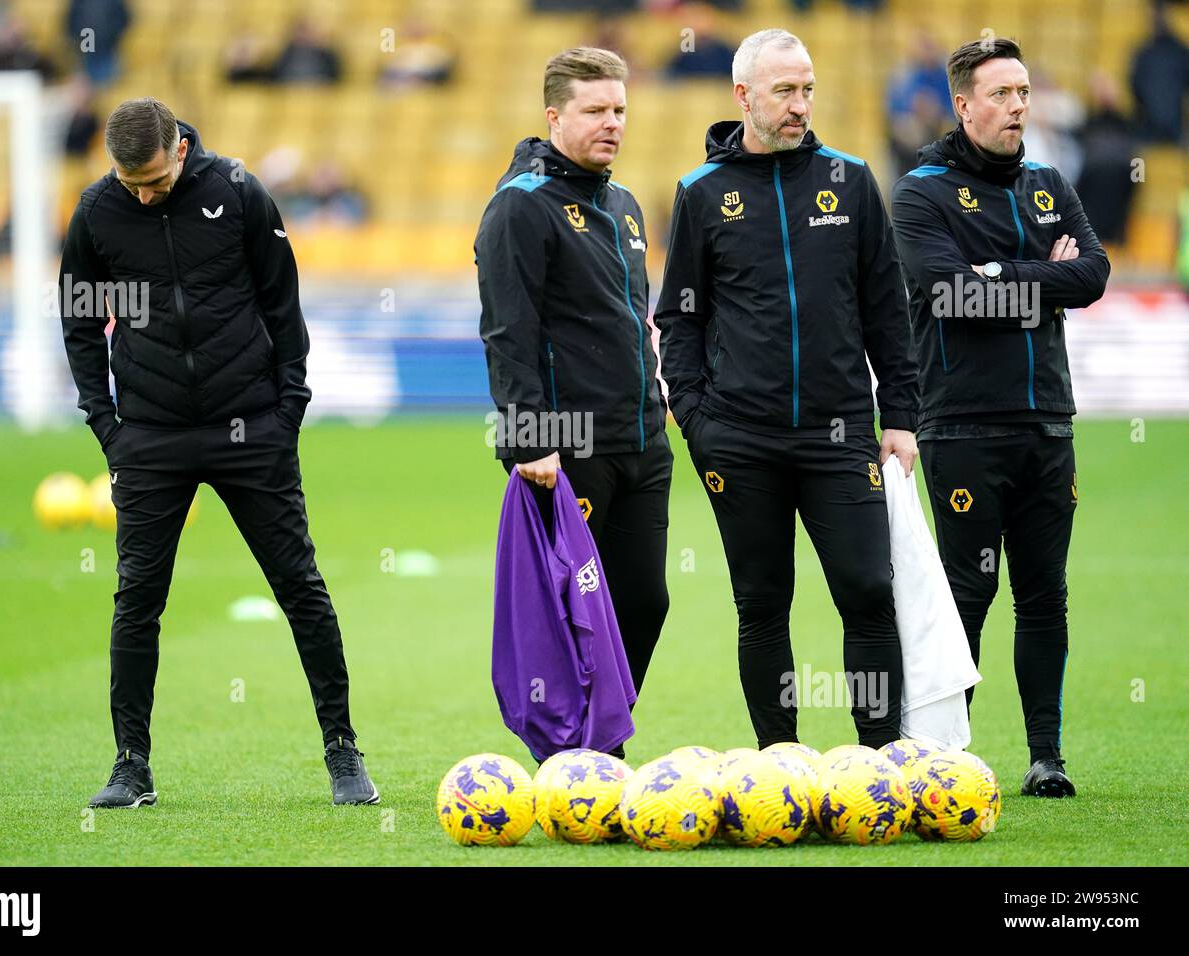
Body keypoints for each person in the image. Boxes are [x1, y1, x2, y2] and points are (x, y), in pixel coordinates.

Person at [59, 97, 378, 808]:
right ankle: (130, 766)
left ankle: (342, 752)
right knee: (137, 599)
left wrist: (287, 408)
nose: (140, 195)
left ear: (180, 149)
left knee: (300, 588)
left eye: (153, 182)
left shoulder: (237, 191)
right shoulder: (96, 212)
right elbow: (80, 323)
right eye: (128, 183)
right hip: (148, 437)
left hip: (251, 430)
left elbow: (282, 303)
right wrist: (107, 426)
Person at [655, 29, 918, 749]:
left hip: (839, 432)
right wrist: (697, 418)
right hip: (737, 438)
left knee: (868, 591)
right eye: (785, 91)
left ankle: (880, 758)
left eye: (807, 89)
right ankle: (781, 762)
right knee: (763, 604)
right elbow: (678, 316)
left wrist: (899, 413)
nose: (800, 104)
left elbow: (885, 308)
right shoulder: (701, 193)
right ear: (744, 96)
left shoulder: (851, 180)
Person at [891, 38, 1110, 797]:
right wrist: (1044, 275)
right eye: (1003, 93)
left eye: (1024, 91)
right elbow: (950, 295)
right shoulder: (920, 192)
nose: (1019, 104)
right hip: (961, 426)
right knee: (966, 596)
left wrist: (1006, 276)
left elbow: (1095, 276)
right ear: (964, 104)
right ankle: (947, 759)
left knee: (1045, 594)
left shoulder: (1047, 182)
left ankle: (1047, 757)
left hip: (1048, 422)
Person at [476, 48, 672, 759]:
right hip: (565, 445)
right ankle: (577, 758)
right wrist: (529, 439)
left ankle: (595, 743)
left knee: (644, 601)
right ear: (555, 116)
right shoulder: (520, 205)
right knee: (569, 613)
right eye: (595, 110)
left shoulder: (621, 205)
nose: (612, 123)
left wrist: (658, 399)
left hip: (642, 440)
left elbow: (634, 316)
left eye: (619, 109)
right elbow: (507, 329)